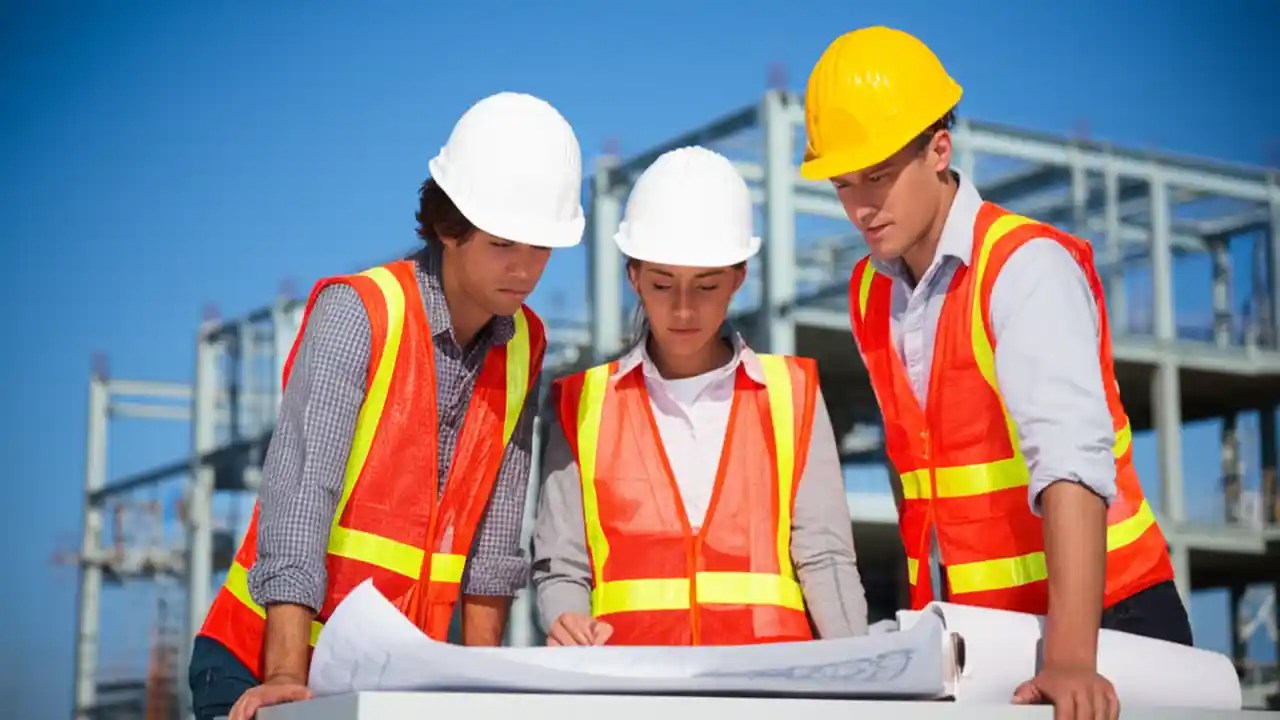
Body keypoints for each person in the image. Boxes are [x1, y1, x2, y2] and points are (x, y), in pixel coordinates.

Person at [800, 26, 1192, 719]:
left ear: (939, 149)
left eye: (880, 177)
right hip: (981, 639)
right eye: (844, 184)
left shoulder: (1023, 268)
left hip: (1107, 629)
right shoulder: (870, 292)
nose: (861, 206)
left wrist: (1072, 657)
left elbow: (1070, 461)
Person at [189, 91, 585, 720]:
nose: (526, 269)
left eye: (541, 248)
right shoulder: (360, 313)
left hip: (393, 677)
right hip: (260, 661)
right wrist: (286, 675)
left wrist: (483, 686)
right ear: (450, 227)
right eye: (505, 244)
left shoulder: (524, 343)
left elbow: (495, 534)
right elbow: (300, 495)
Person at [531, 146, 869, 647]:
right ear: (634, 278)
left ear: (738, 278)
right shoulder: (582, 404)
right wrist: (564, 618)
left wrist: (857, 669)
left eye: (706, 286)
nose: (684, 309)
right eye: (663, 284)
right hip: (632, 694)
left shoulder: (791, 396)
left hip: (769, 694)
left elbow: (825, 558)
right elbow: (561, 568)